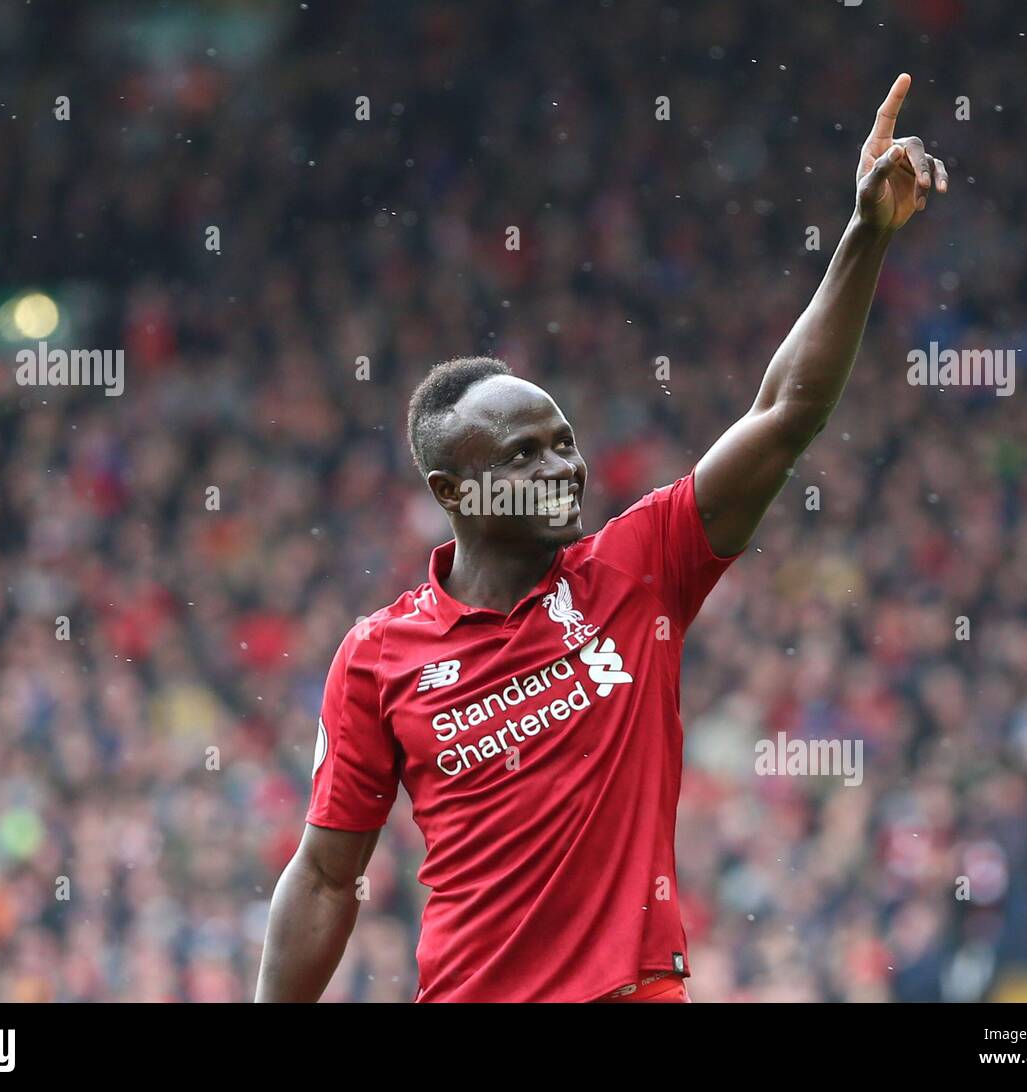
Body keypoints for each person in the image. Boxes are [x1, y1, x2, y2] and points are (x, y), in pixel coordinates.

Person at [256, 74, 949, 1003]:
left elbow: (784, 412)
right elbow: (325, 875)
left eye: (565, 443)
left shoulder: (638, 567)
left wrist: (866, 234)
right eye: (525, 454)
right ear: (452, 491)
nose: (564, 468)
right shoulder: (378, 659)